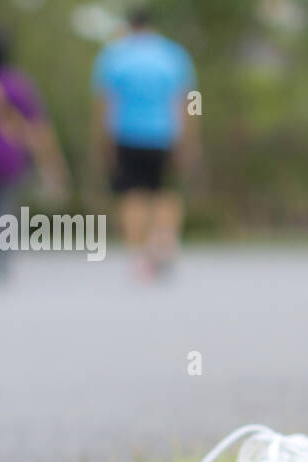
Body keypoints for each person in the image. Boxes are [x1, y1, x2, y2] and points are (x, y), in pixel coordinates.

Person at [90, 7, 199, 279]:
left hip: (127, 134)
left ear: (129, 26)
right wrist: (190, 136)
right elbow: (191, 100)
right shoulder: (174, 55)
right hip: (165, 134)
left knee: (133, 194)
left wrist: (103, 140)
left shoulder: (114, 56)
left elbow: (104, 103)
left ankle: (139, 254)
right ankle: (165, 241)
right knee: (164, 191)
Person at [0, 29, 69, 279]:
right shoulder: (20, 84)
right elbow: (38, 126)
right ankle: (0, 264)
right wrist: (51, 163)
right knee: (4, 210)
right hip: (8, 155)